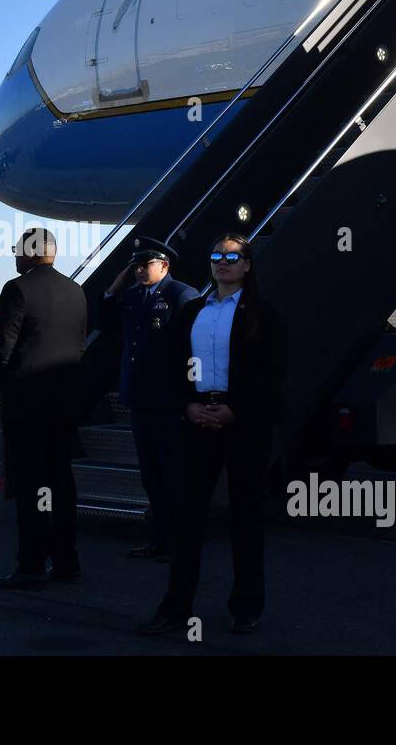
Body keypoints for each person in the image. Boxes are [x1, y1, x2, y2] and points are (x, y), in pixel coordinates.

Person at [138, 234, 287, 636]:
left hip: (243, 423)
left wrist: (235, 408)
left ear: (247, 265)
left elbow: (270, 374)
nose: (223, 262)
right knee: (187, 517)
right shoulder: (191, 313)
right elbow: (170, 364)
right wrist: (187, 405)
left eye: (232, 257)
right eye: (217, 256)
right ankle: (175, 607)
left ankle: (246, 606)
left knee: (245, 515)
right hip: (197, 420)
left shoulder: (263, 314)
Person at [0, 228, 88, 588]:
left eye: (17, 250)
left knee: (30, 487)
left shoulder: (18, 289)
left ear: (31, 252)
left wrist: (0, 386)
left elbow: (2, 348)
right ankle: (67, 562)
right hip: (64, 405)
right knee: (62, 485)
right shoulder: (75, 290)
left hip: (27, 407)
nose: (14, 255)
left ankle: (30, 564)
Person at [99, 237, 198, 560]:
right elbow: (106, 315)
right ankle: (159, 539)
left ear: (164, 266)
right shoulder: (132, 296)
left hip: (169, 400)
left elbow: (192, 348)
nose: (140, 270)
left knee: (175, 472)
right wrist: (119, 280)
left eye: (146, 265)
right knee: (150, 473)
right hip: (140, 397)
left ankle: (181, 541)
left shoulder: (181, 295)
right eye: (136, 266)